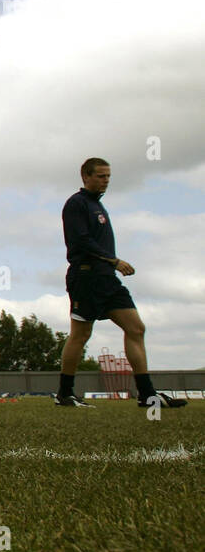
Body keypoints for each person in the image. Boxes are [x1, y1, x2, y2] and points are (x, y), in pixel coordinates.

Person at [56, 158, 185, 409]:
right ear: (85, 176)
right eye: (101, 176)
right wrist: (114, 261)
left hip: (107, 279)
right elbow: (80, 241)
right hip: (86, 277)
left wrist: (110, 266)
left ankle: (147, 395)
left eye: (108, 177)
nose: (106, 181)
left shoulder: (98, 206)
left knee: (136, 328)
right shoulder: (76, 204)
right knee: (81, 335)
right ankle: (65, 394)